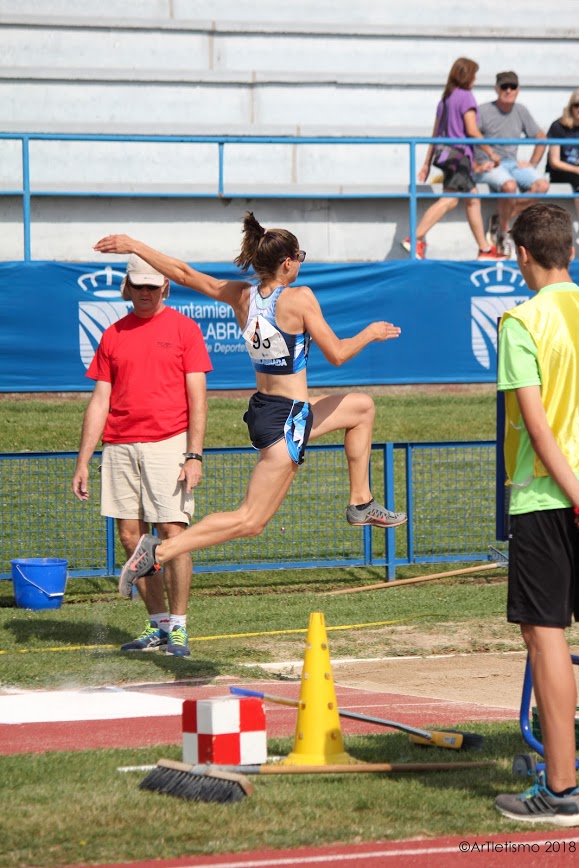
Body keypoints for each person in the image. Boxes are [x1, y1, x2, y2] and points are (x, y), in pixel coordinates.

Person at [94, 212, 407, 595]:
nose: (300, 264)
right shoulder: (300, 298)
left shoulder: (241, 295)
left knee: (361, 408)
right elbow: (338, 354)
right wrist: (371, 333)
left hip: (274, 409)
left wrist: (135, 244)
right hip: (286, 419)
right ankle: (160, 550)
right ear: (288, 262)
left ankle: (361, 501)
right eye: (300, 257)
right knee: (250, 520)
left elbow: (185, 274)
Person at [72, 254, 212, 657]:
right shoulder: (113, 334)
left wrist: (194, 454)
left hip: (169, 443)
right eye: (140, 286)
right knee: (131, 537)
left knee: (172, 534)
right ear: (127, 288)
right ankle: (159, 625)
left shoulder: (185, 329)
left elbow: (197, 399)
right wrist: (83, 460)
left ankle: (181, 627)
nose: (147, 293)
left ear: (165, 288)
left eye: (154, 286)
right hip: (118, 446)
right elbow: (99, 401)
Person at [495, 202, 579, 825]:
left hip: (548, 498)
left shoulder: (520, 320)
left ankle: (561, 787)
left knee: (545, 636)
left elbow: (537, 426)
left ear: (523, 254)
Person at [401, 57, 505, 261]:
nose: (475, 79)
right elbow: (472, 130)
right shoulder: (465, 97)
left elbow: (435, 133)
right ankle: (416, 238)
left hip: (446, 155)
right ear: (467, 76)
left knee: (472, 199)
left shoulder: (445, 99)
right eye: (474, 75)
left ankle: (484, 250)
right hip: (460, 156)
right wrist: (492, 153)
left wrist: (426, 164)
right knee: (449, 200)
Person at [474, 71, 550, 258]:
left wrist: (532, 163)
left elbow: (541, 137)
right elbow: (469, 137)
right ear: (496, 88)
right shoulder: (482, 111)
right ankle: (505, 232)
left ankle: (500, 223)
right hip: (489, 165)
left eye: (512, 87)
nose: (508, 90)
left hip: (511, 164)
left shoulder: (521, 110)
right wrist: (478, 163)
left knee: (542, 185)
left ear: (518, 90)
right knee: (509, 185)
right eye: (504, 87)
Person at [547, 88, 579, 232]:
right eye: (577, 105)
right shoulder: (558, 126)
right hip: (563, 171)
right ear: (571, 107)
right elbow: (554, 162)